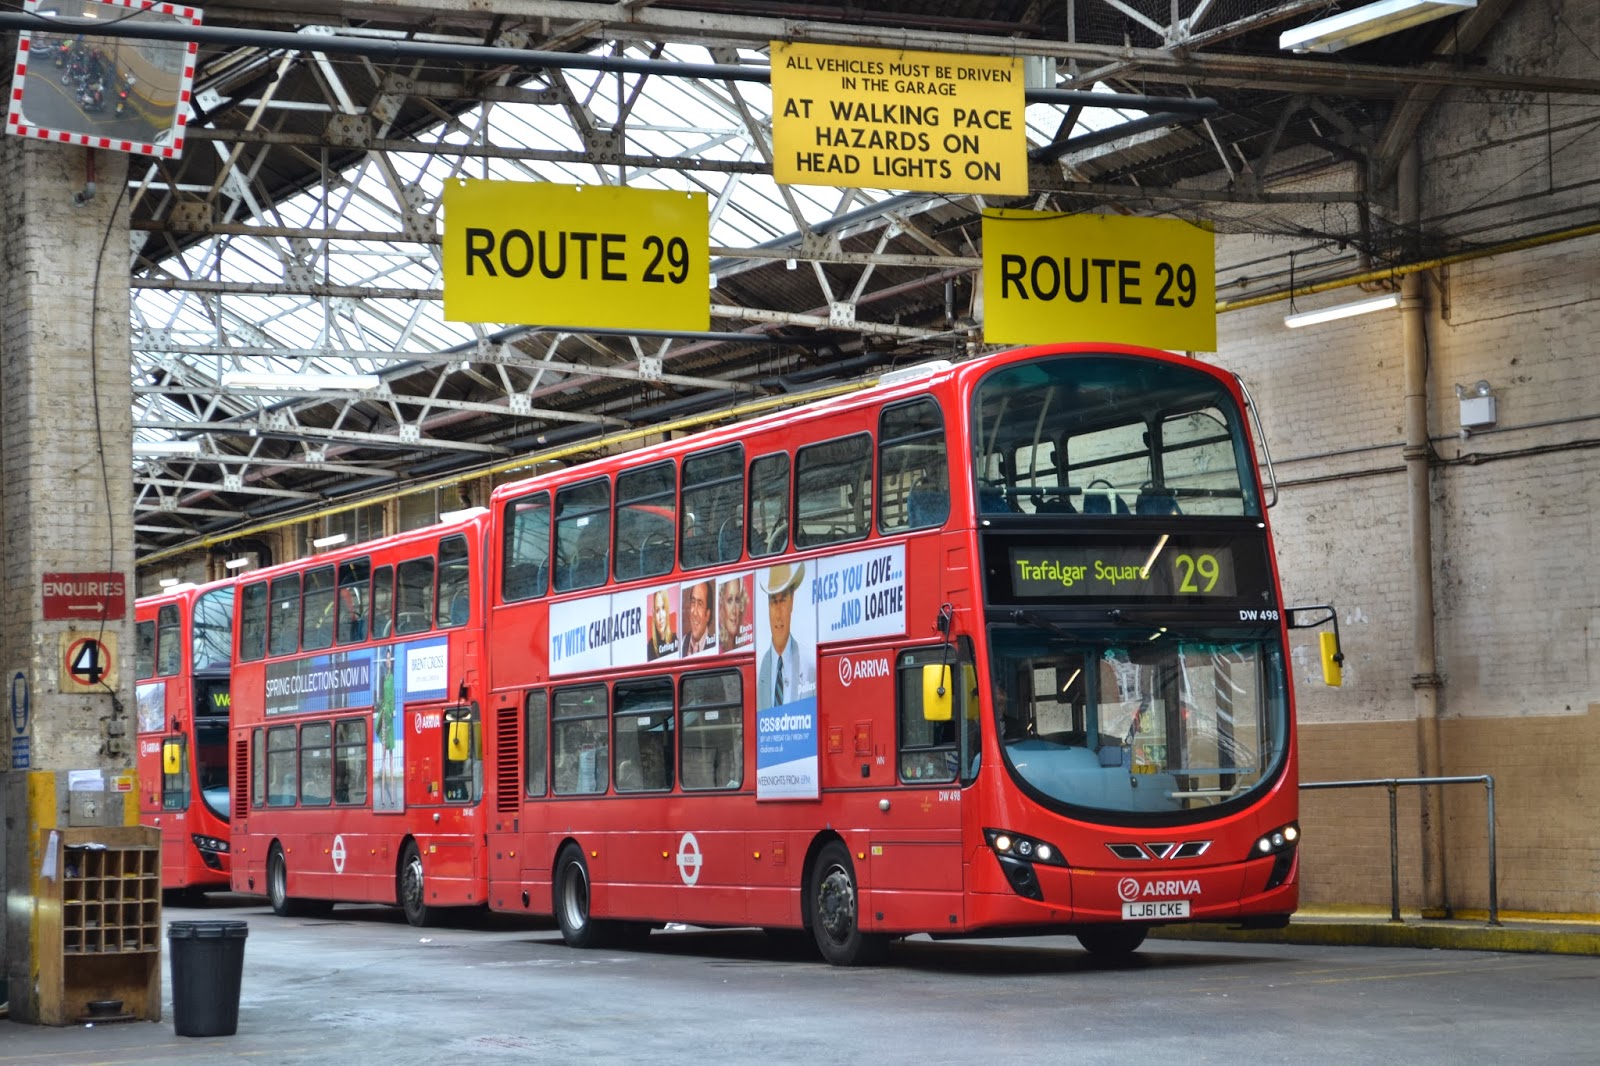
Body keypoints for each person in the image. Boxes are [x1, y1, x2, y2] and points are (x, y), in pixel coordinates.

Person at [757, 562, 813, 711]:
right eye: (773, 602)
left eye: (783, 601)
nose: (778, 614)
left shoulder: (809, 663)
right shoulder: (759, 670)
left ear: (792, 601)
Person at [682, 580, 715, 655]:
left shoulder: (714, 646)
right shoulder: (682, 643)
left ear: (707, 614)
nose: (695, 613)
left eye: (700, 604)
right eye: (693, 602)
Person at [718, 575, 749, 652]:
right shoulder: (716, 649)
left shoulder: (745, 646)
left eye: (737, 600)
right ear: (721, 605)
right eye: (729, 600)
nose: (734, 611)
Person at [646, 588, 677, 660]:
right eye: (657, 611)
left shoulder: (674, 639)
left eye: (663, 608)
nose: (660, 617)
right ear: (654, 616)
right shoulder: (650, 647)